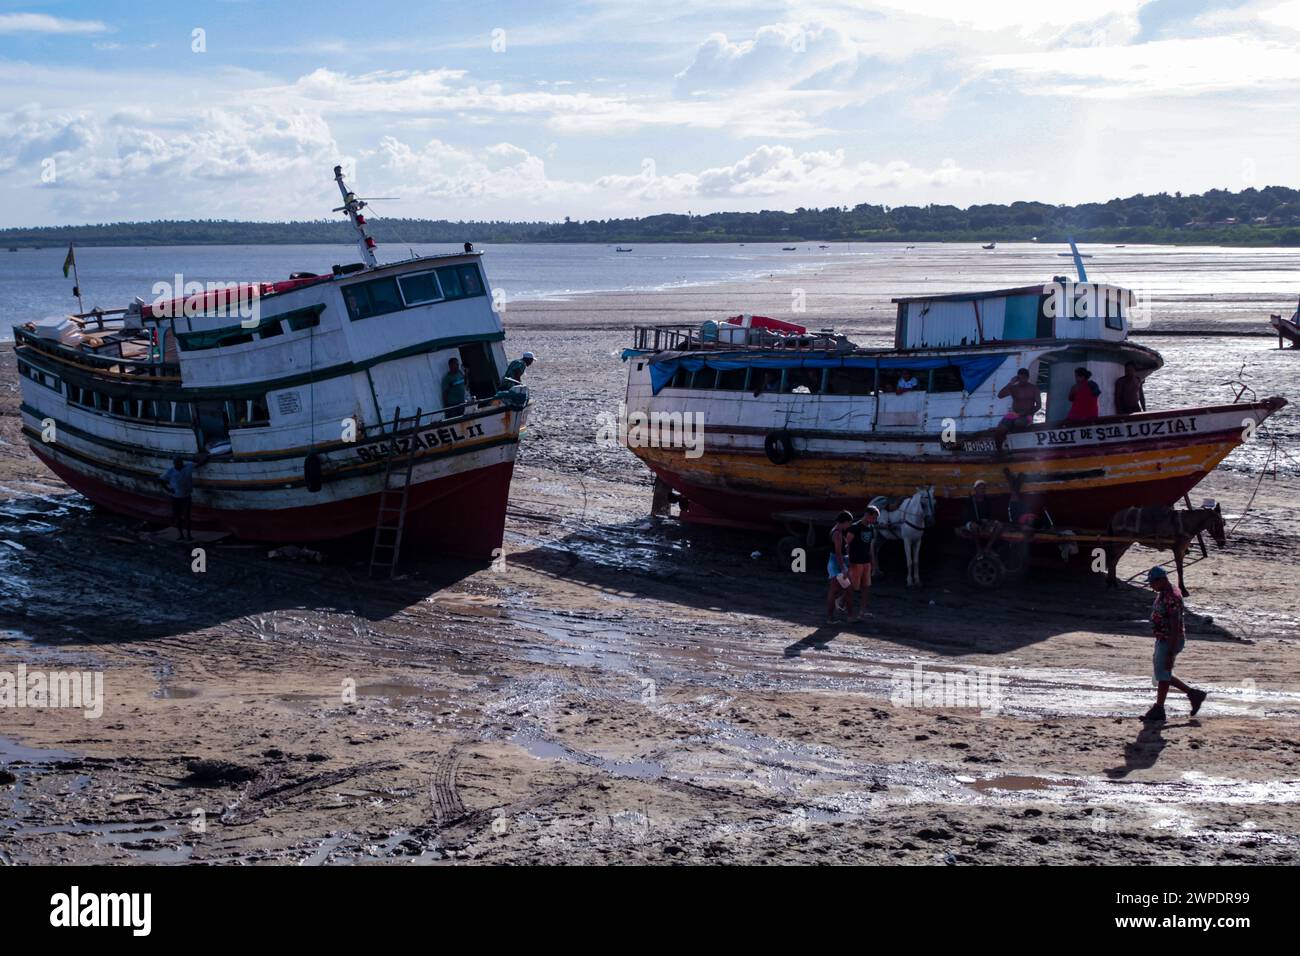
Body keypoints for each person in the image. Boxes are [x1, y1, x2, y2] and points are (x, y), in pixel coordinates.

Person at [1143, 566, 1207, 722]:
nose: (1151, 586)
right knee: (1163, 673)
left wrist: (1170, 652)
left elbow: (1174, 625)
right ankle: (1193, 695)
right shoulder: (1166, 592)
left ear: (1162, 580)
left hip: (1169, 640)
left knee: (1163, 673)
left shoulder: (1171, 597)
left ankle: (1159, 709)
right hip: (1164, 639)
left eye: (1152, 582)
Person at [160, 451, 209, 541]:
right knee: (178, 517)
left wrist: (206, 457)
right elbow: (161, 480)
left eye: (180, 462)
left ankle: (188, 535)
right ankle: (181, 535)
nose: (179, 464)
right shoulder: (170, 471)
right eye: (177, 462)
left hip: (186, 497)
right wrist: (168, 489)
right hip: (175, 498)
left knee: (187, 517)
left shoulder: (188, 467)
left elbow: (199, 464)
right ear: (174, 463)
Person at [843, 506, 879, 621]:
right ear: (867, 515)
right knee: (852, 587)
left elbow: (871, 547)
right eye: (873, 517)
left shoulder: (871, 528)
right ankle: (843, 604)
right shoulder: (855, 528)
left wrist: (873, 562)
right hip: (856, 562)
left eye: (875, 518)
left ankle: (862, 611)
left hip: (866, 562)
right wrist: (848, 561)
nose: (874, 520)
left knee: (866, 587)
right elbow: (846, 545)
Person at [993, 368, 1040, 452]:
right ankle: (999, 452)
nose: (1021, 380)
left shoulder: (1034, 388)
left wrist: (1027, 413)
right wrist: (1010, 383)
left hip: (1027, 416)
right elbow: (1000, 395)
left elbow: (1039, 405)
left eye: (1023, 378)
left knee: (1018, 423)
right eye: (1019, 378)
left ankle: (1017, 448)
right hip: (1014, 415)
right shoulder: (1014, 388)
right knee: (999, 430)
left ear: (1027, 378)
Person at [825, 511, 853, 624]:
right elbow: (838, 553)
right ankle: (848, 617)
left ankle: (832, 617)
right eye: (849, 523)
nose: (849, 525)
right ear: (844, 522)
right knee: (846, 590)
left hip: (834, 563)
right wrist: (843, 568)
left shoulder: (836, 530)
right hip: (836, 564)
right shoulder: (837, 533)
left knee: (838, 590)